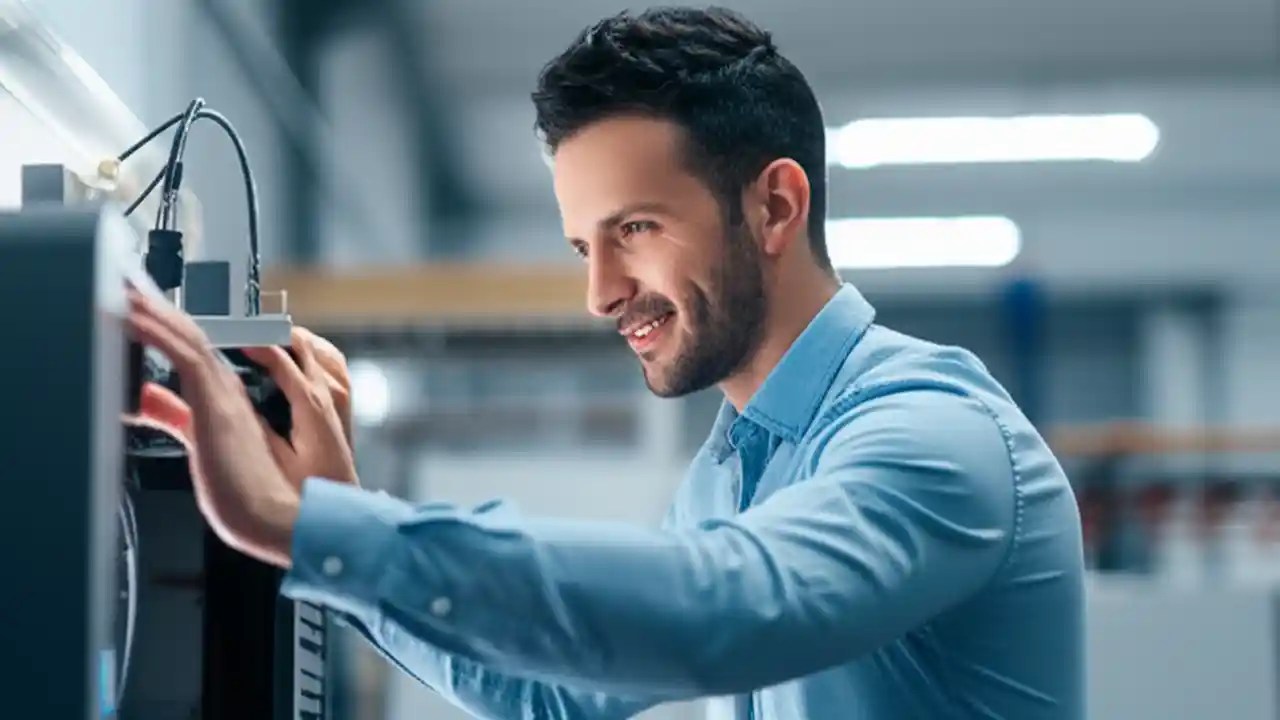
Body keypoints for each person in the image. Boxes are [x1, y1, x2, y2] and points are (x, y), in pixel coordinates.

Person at [125, 6, 1085, 719]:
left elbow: (726, 610)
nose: (602, 293)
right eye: (586, 247)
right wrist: (350, 528)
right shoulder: (733, 468)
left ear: (776, 208)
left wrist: (321, 529)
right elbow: (552, 694)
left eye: (636, 228)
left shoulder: (935, 431)